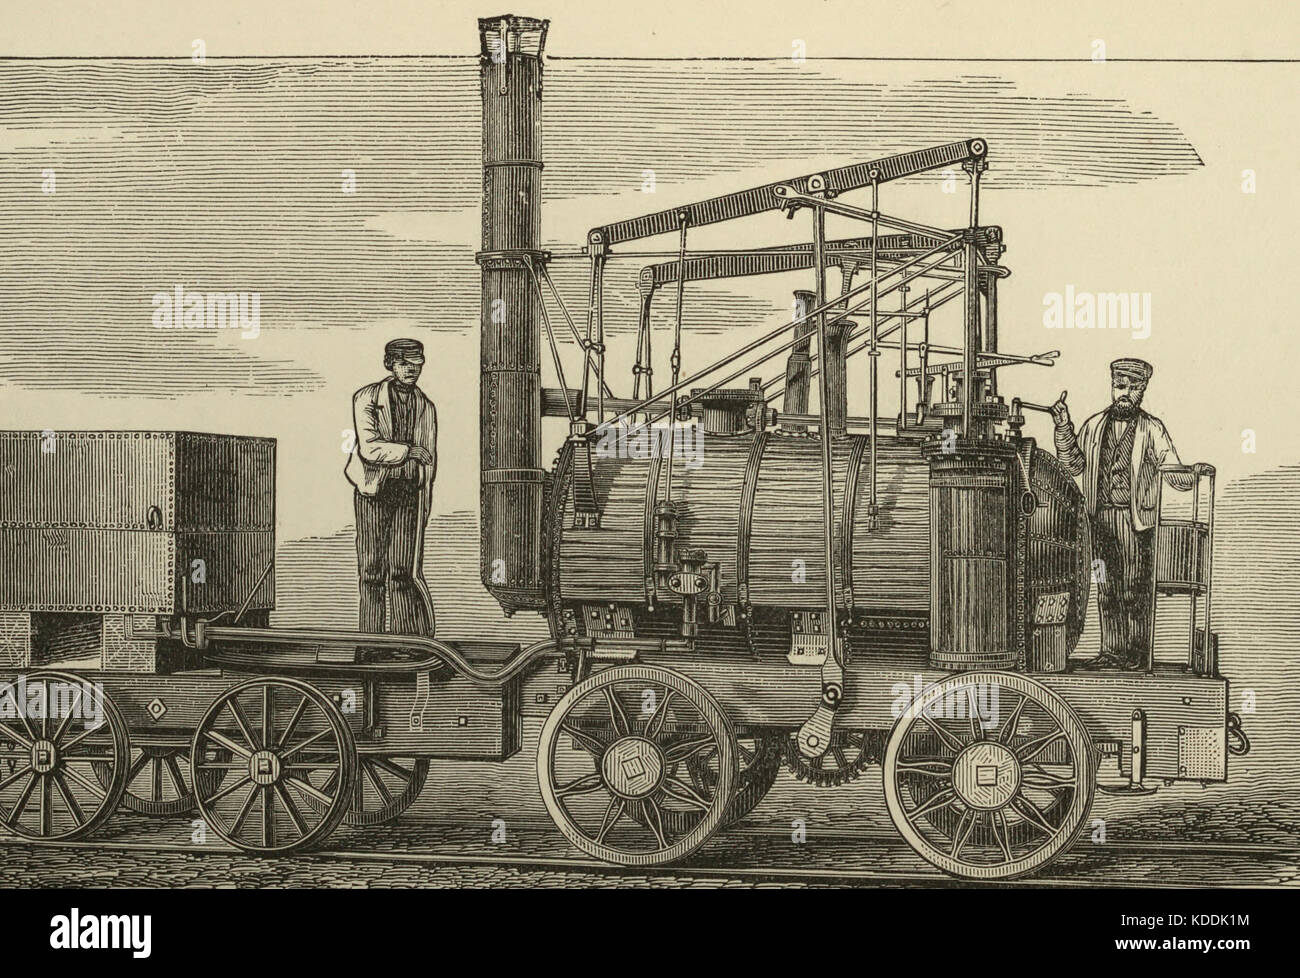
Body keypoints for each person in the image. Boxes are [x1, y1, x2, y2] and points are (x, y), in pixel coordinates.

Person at [1051, 358, 1202, 670]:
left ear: (1142, 391)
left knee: (1134, 589)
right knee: (1105, 587)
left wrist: (1194, 475)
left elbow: (1172, 468)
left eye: (1134, 388)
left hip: (1135, 524)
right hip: (1098, 521)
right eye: (1121, 386)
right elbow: (1074, 465)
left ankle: (1136, 655)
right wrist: (1063, 426)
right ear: (1112, 386)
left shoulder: (1152, 429)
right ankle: (1111, 652)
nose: (1126, 393)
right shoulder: (1093, 426)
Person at [344, 338, 437, 640]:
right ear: (390, 365)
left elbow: (430, 464)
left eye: (417, 364)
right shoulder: (366, 398)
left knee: (403, 573)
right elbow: (370, 449)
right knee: (371, 573)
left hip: (409, 494)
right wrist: (409, 451)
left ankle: (406, 643)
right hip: (375, 493)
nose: (412, 370)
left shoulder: (427, 406)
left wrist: (424, 504)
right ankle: (369, 643)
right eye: (405, 364)